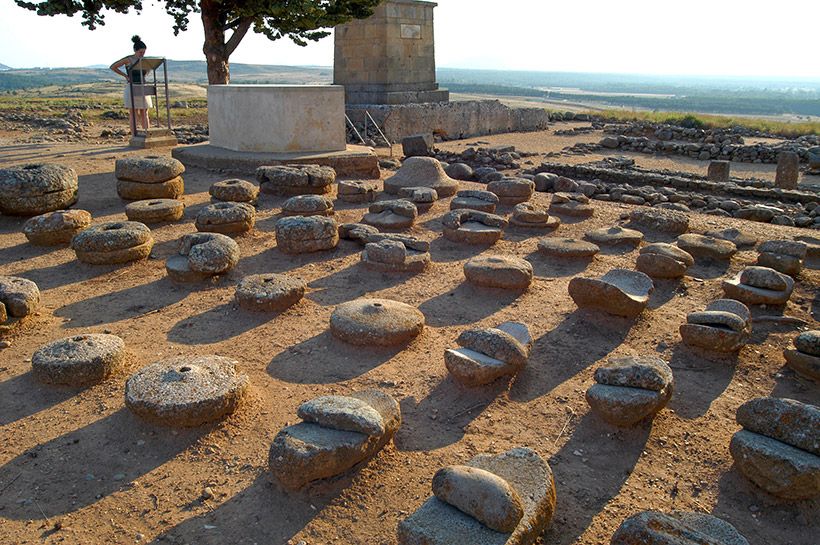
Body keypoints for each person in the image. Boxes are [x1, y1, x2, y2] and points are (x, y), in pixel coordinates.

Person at [110, 35, 152, 132]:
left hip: (142, 86)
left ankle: (146, 133)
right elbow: (113, 66)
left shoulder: (145, 60)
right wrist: (125, 75)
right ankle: (134, 135)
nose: (142, 54)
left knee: (144, 111)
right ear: (135, 51)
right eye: (140, 52)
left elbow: (148, 70)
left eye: (144, 52)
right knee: (133, 112)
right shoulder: (128, 59)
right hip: (132, 86)